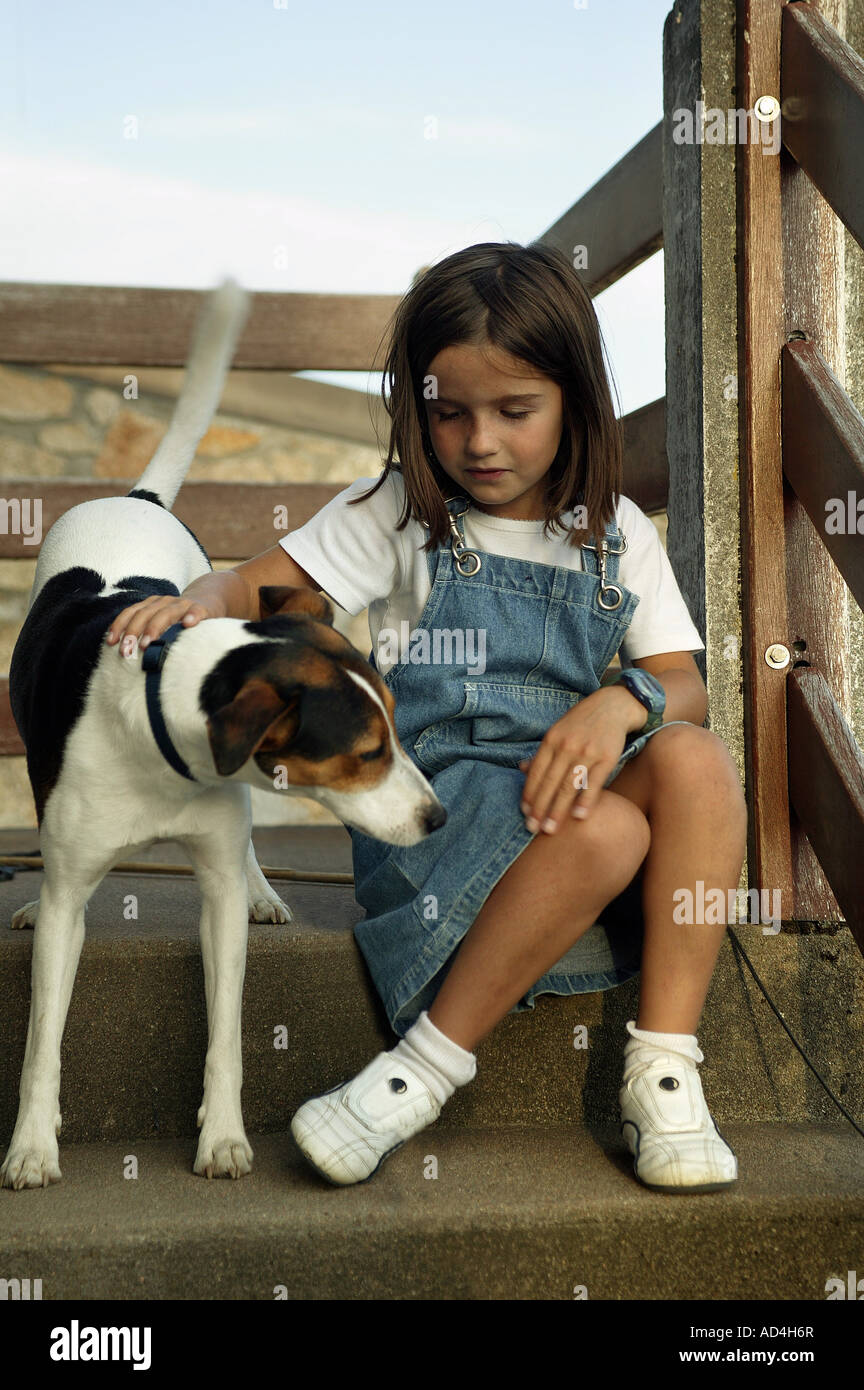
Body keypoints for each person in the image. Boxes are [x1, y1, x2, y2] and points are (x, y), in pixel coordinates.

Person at [106, 241, 748, 1194]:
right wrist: (204, 593)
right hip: (436, 816)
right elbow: (261, 583)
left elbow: (682, 681)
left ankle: (663, 1068)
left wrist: (621, 703)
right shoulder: (404, 512)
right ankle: (421, 1071)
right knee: (608, 824)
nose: (480, 442)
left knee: (693, 759)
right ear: (418, 407)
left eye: (514, 411)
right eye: (450, 414)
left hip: (560, 801)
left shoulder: (616, 534)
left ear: (575, 399)